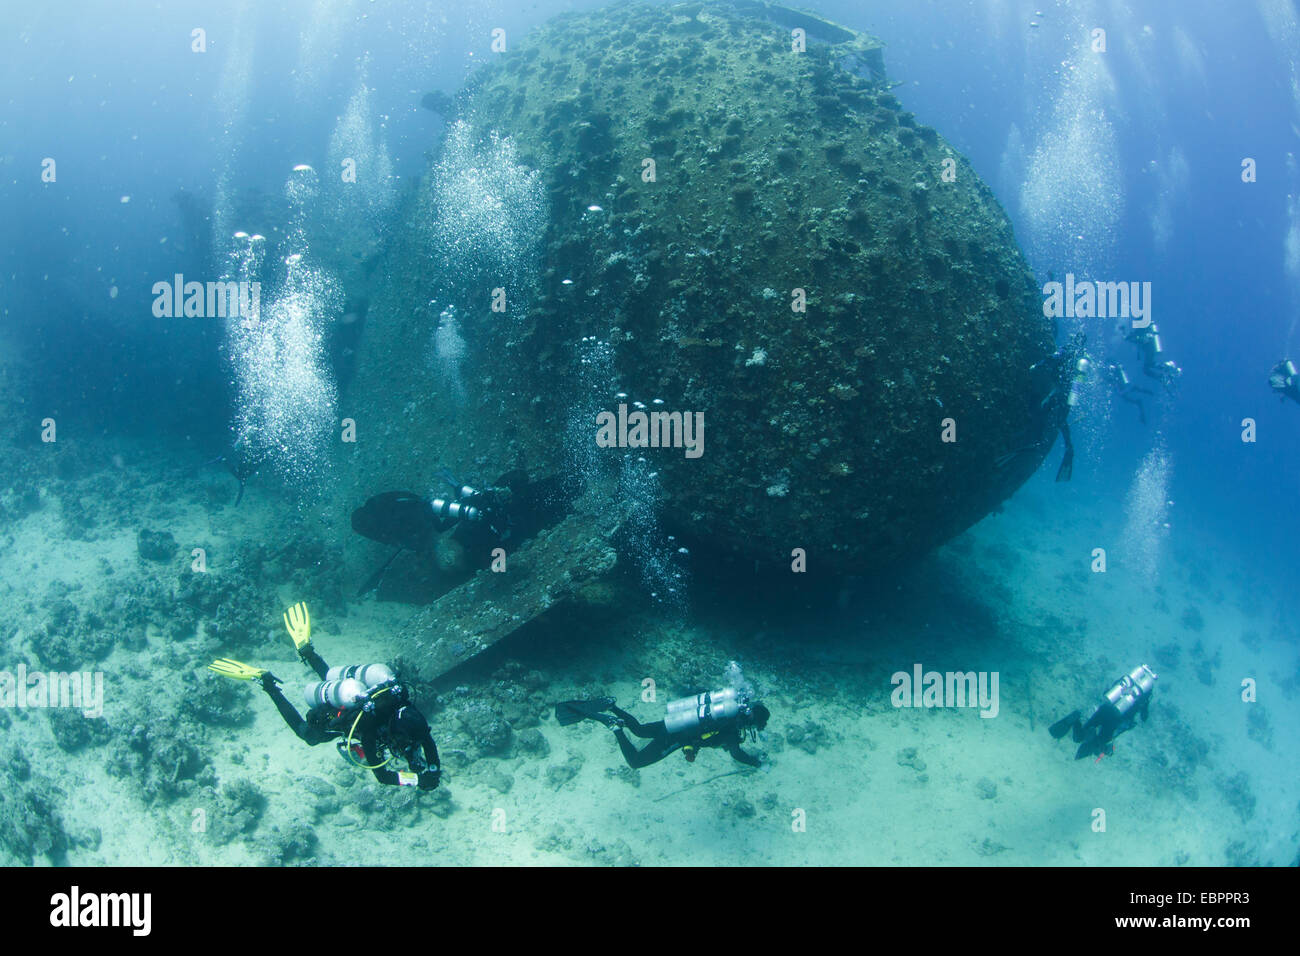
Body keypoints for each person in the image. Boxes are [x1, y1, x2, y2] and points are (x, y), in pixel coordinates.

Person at [208, 602, 441, 789]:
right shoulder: (370, 729)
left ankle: (307, 651)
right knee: (307, 735)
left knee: (334, 683)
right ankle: (268, 684)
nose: (410, 746)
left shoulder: (406, 711)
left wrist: (432, 770)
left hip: (357, 693)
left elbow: (428, 744)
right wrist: (417, 780)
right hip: (348, 714)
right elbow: (383, 777)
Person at [556, 687, 769, 769]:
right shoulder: (732, 728)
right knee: (635, 762)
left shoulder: (726, 714)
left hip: (674, 723)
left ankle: (613, 706)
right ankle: (615, 727)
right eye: (760, 725)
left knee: (638, 730)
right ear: (753, 720)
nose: (760, 728)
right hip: (676, 737)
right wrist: (756, 763)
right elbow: (736, 754)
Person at [1049, 663, 1157, 761]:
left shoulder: (1127, 680)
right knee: (1101, 741)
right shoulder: (1146, 694)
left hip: (1104, 709)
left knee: (1081, 735)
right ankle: (1093, 743)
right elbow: (1144, 717)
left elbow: (1110, 689)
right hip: (1116, 718)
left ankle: (1075, 719)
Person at [1027, 331, 1091, 481]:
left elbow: (1054, 358)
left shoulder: (1068, 349)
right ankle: (1069, 446)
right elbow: (1080, 380)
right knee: (1061, 419)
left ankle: (1038, 440)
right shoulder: (1083, 357)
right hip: (1071, 394)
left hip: (1061, 390)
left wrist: (1037, 366)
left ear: (1075, 339)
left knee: (1044, 409)